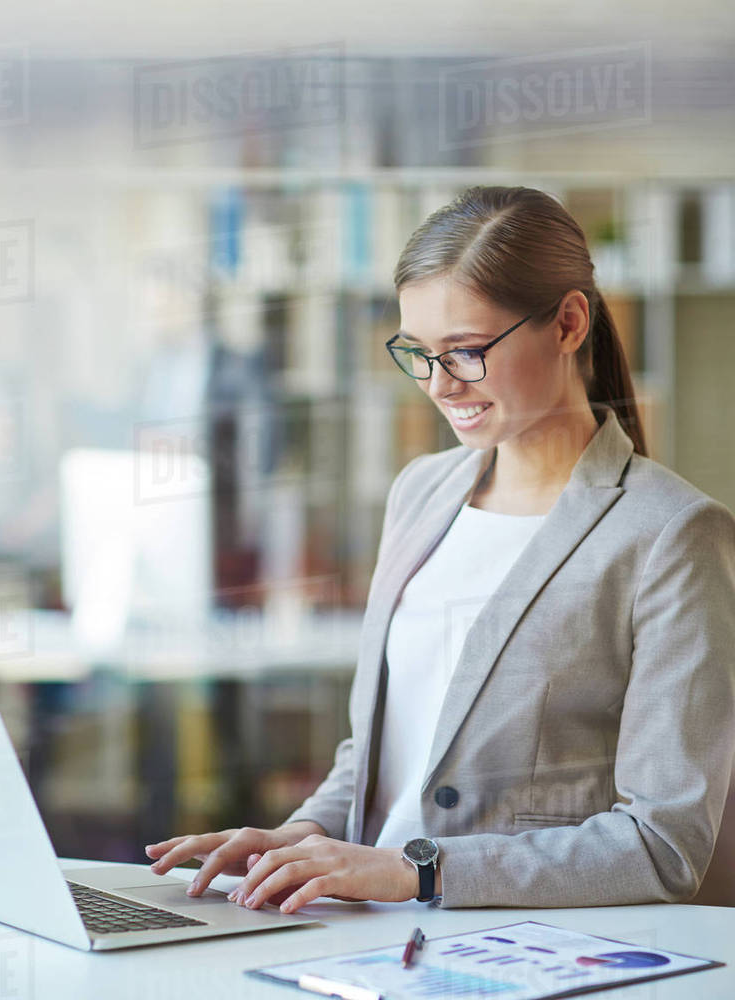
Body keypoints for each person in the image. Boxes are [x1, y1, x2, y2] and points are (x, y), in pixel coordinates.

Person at [145, 185, 735, 911]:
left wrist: (419, 869)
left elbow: (663, 847)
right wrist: (298, 836)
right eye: (416, 354)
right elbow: (386, 752)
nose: (437, 384)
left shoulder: (670, 533)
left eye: (465, 351)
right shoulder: (421, 493)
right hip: (360, 927)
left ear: (569, 323)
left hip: (524, 952)